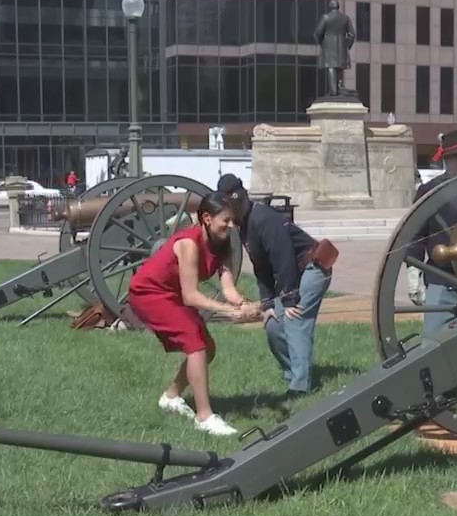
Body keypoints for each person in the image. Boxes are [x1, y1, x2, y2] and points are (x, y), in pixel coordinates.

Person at [126, 192, 260, 436]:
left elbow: (229, 289)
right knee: (196, 345)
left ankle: (171, 397)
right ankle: (204, 417)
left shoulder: (225, 245)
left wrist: (245, 305)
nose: (232, 226)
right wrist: (229, 311)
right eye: (226, 220)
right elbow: (191, 296)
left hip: (173, 292)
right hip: (149, 293)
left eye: (233, 221)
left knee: (207, 347)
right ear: (207, 218)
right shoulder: (189, 244)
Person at [212, 174, 336, 399]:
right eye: (229, 205)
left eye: (235, 203)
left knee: (294, 318)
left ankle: (300, 388)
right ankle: (293, 373)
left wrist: (289, 298)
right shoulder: (244, 226)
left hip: (312, 269)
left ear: (243, 198)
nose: (233, 209)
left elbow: (284, 257)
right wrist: (268, 303)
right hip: (294, 273)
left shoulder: (263, 218)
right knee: (273, 325)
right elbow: (262, 268)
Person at [406, 128, 457, 331]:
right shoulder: (429, 191)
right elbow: (414, 234)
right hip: (443, 276)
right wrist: (414, 273)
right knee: (434, 338)